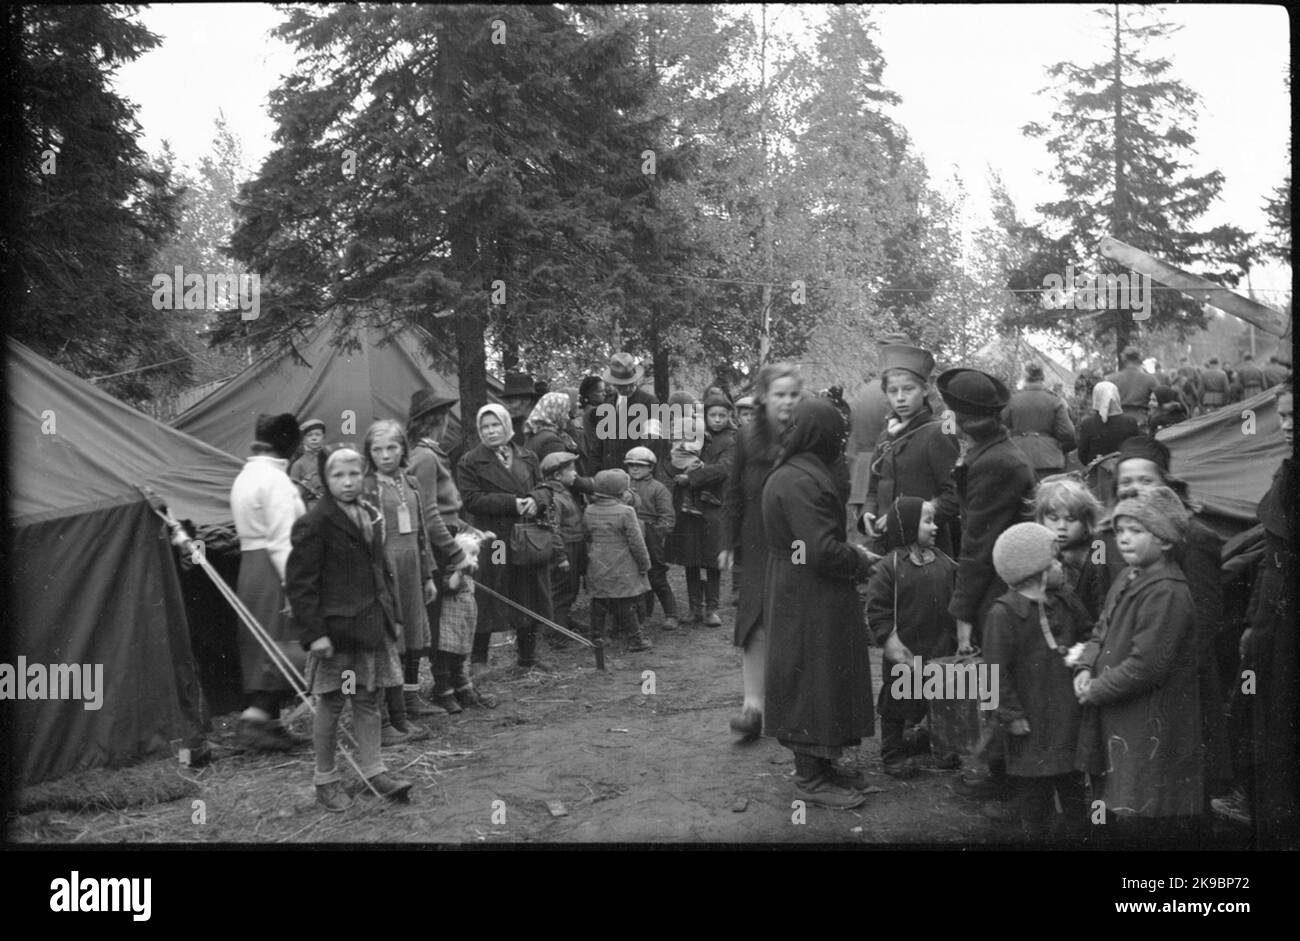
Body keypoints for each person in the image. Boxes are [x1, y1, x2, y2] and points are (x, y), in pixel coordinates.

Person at [1073, 486, 1205, 844]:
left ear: (1164, 540)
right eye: (1120, 531)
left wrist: (1096, 690)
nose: (1124, 540)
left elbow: (1146, 666)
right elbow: (1101, 629)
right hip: (1119, 713)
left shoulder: (1167, 592)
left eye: (1136, 530)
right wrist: (1085, 666)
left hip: (1146, 720)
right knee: (1117, 796)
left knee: (1142, 804)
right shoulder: (1128, 576)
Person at [762, 396, 876, 809]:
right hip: (807, 590)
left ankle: (822, 766)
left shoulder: (797, 471)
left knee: (821, 673)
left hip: (805, 586)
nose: (841, 442)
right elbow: (819, 549)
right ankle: (809, 779)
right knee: (811, 675)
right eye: (838, 434)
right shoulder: (800, 479)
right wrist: (859, 559)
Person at [286, 445, 413, 811]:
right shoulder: (315, 522)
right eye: (338, 475)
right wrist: (316, 634)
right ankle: (325, 779)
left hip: (371, 624)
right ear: (326, 479)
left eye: (354, 474)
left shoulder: (369, 514)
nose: (347, 481)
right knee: (332, 702)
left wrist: (394, 617)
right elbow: (301, 584)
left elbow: (380, 571)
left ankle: (374, 770)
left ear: (364, 475)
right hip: (337, 631)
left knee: (368, 697)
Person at [937, 368, 1036, 801]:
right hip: (1000, 582)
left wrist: (961, 613)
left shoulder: (995, 463)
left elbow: (978, 546)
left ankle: (1004, 782)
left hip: (999, 588)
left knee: (996, 676)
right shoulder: (990, 452)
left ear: (963, 419)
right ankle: (1001, 772)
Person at [984, 523, 1091, 840]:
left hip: (1066, 719)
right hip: (1030, 726)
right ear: (1039, 571)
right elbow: (993, 673)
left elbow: (1090, 634)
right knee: (1034, 798)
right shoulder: (1003, 614)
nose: (1062, 566)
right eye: (1055, 561)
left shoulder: (1067, 603)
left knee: (1073, 790)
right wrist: (1011, 715)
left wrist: (1085, 653)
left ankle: (1078, 834)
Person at [722, 363, 802, 742]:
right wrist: (726, 541)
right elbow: (734, 491)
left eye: (792, 395)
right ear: (764, 398)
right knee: (754, 621)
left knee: (794, 619)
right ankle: (753, 707)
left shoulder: (807, 433)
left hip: (796, 540)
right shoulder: (746, 438)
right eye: (779, 395)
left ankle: (792, 706)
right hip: (756, 542)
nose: (786, 402)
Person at [1237, 381, 1295, 848]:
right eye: (1285, 417)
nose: (1289, 427)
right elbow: (1269, 564)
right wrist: (1256, 625)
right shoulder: (1285, 476)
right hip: (1275, 632)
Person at [863, 497, 958, 779]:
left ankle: (941, 746)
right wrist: (889, 641)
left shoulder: (944, 562)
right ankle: (892, 754)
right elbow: (878, 610)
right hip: (903, 650)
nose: (934, 527)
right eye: (927, 521)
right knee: (897, 700)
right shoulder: (889, 566)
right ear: (906, 527)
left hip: (939, 647)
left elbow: (959, 596)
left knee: (942, 698)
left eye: (934, 520)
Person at [457, 404, 555, 675]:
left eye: (495, 425)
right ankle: (478, 660)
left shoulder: (528, 456)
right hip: (494, 540)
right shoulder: (470, 461)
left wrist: (536, 500)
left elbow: (546, 487)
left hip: (526, 537)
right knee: (491, 592)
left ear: (506, 427)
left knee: (528, 591)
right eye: (485, 427)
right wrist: (513, 503)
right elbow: (471, 499)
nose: (490, 431)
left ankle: (527, 656)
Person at [229, 413, 308, 751]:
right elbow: (282, 539)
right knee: (278, 641)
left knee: (263, 641)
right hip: (274, 568)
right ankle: (256, 719)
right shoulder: (276, 482)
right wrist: (295, 586)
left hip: (252, 566)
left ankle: (270, 723)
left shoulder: (247, 476)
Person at [362, 420, 436, 746]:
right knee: (395, 635)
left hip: (411, 566)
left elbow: (422, 534)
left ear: (403, 449)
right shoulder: (367, 488)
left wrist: (429, 574)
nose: (385, 455)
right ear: (369, 453)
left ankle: (410, 696)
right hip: (386, 567)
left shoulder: (412, 483)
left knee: (415, 630)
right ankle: (393, 714)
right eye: (377, 450)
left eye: (392, 448)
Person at [859, 342, 960, 555]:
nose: (900, 397)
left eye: (908, 389)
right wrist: (868, 512)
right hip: (886, 546)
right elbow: (873, 488)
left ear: (924, 390)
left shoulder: (937, 433)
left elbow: (953, 496)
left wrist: (916, 516)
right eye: (892, 391)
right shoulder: (885, 435)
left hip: (926, 549)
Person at [667, 393, 735, 626]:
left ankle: (712, 608)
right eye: (712, 415)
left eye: (722, 416)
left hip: (714, 502)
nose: (717, 420)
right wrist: (678, 471)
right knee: (691, 556)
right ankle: (694, 607)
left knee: (711, 557)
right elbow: (673, 457)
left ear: (729, 417)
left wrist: (693, 477)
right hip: (688, 504)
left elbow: (724, 469)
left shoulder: (731, 441)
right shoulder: (692, 432)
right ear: (705, 416)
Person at [584, 469, 653, 652]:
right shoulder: (626, 512)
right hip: (623, 565)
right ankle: (636, 639)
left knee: (598, 601)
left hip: (597, 563)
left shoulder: (589, 510)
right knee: (624, 602)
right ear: (621, 491)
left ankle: (596, 638)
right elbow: (636, 542)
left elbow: (587, 535)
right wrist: (645, 564)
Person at [1034, 474, 1107, 620]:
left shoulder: (1098, 550)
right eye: (1053, 519)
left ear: (1087, 522)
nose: (1061, 527)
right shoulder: (1037, 552)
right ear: (1041, 519)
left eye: (1071, 519)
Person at [536, 451, 586, 645]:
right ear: (557, 475)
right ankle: (557, 633)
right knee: (561, 591)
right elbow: (552, 529)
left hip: (574, 545)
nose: (575, 474)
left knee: (571, 589)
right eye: (571, 470)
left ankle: (564, 622)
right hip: (564, 549)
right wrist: (561, 556)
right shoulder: (553, 497)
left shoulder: (565, 492)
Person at [624, 446, 677, 631]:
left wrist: (656, 534)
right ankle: (643, 613)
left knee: (656, 577)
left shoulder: (658, 488)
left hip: (651, 535)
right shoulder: (624, 485)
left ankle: (671, 613)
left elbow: (668, 517)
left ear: (651, 467)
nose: (635, 469)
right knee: (637, 576)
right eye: (631, 465)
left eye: (640, 465)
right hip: (629, 535)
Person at [1001, 363, 1076, 480]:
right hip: (1050, 460)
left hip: (1018, 458)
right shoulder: (1055, 401)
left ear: (1024, 378)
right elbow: (1068, 433)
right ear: (1042, 378)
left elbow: (1000, 428)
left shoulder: (1012, 401)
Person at [592, 352, 662, 471]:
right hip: (610, 473)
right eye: (621, 386)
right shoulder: (607, 403)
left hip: (637, 473)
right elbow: (599, 443)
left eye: (630, 384)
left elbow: (652, 442)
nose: (627, 389)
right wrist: (597, 470)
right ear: (613, 383)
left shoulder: (650, 402)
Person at [1075, 380, 1140, 467]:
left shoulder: (1088, 424)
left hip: (1097, 474)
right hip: (1124, 470)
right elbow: (1135, 449)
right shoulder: (1130, 422)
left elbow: (1083, 454)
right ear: (1116, 396)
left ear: (1096, 397)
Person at [1104, 347, 1159, 423]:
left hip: (1116, 420)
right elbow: (1159, 401)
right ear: (1139, 359)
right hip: (1141, 420)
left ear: (1124, 359)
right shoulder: (1151, 380)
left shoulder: (1110, 379)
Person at [289, 418, 327, 507]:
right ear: (303, 440)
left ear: (323, 438)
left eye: (318, 435)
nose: (314, 438)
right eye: (309, 435)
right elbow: (293, 494)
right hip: (310, 507)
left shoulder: (329, 459)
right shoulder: (298, 464)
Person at [500, 372, 543, 446]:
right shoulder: (507, 428)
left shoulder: (542, 427)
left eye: (511, 402)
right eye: (506, 402)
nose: (506, 407)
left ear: (527, 401)